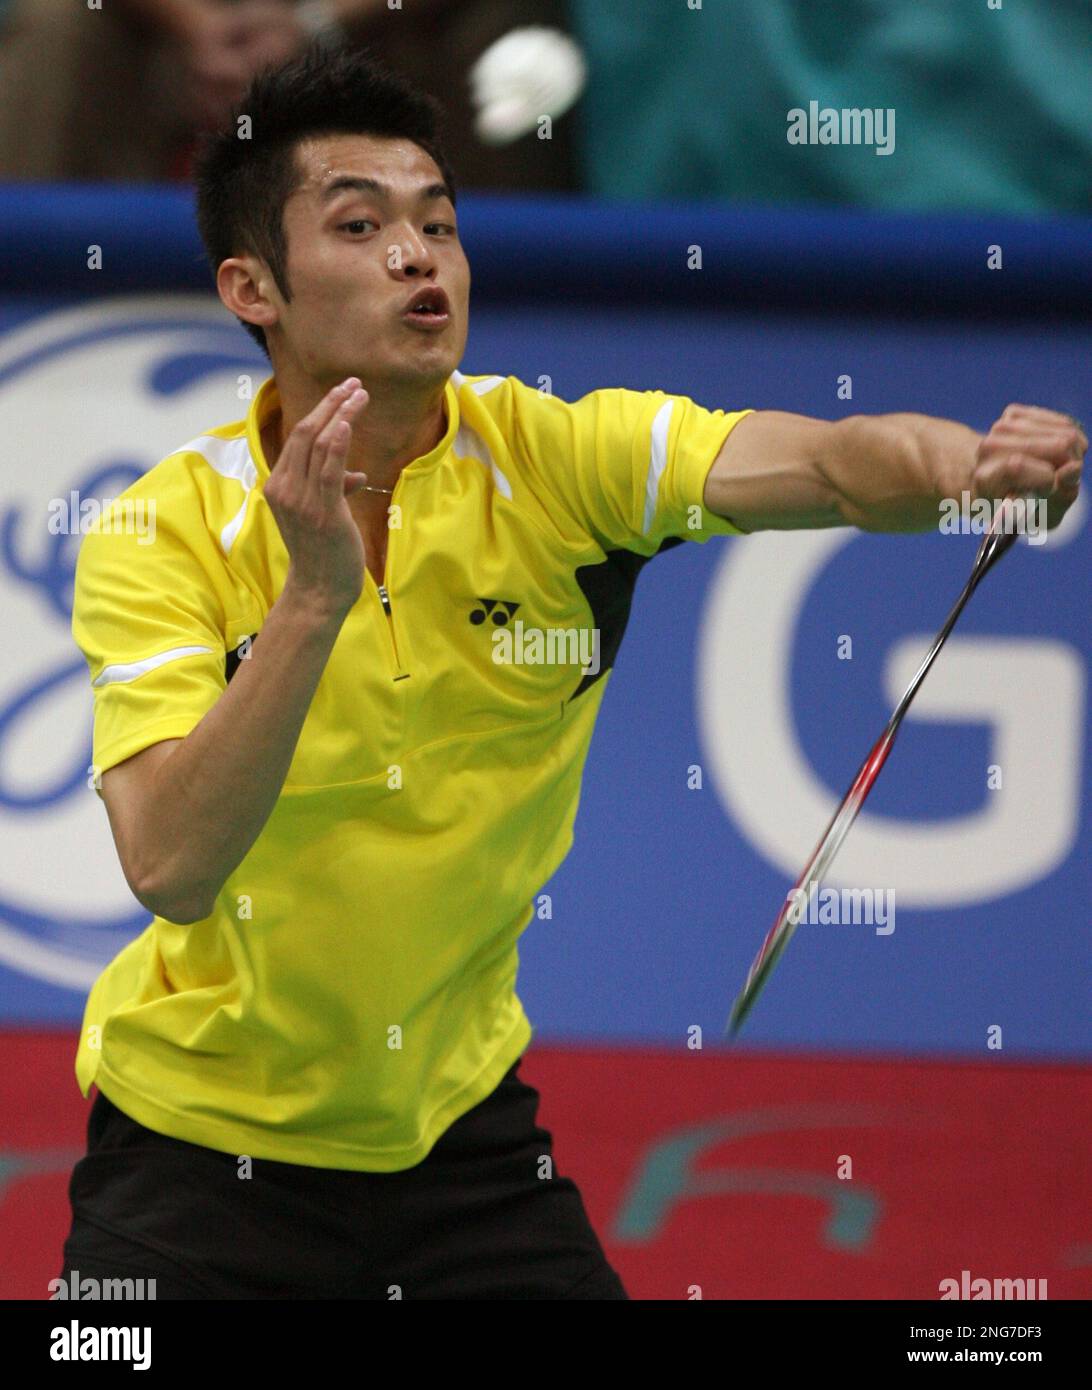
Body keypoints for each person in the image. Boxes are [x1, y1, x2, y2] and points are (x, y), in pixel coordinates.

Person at [59, 45, 1084, 1300]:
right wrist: (314, 601)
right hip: (194, 1160)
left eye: (438, 221)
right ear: (251, 286)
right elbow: (170, 864)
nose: (417, 254)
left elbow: (828, 462)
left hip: (459, 1145)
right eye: (361, 223)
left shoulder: (556, 459)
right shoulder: (163, 532)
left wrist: (963, 465)